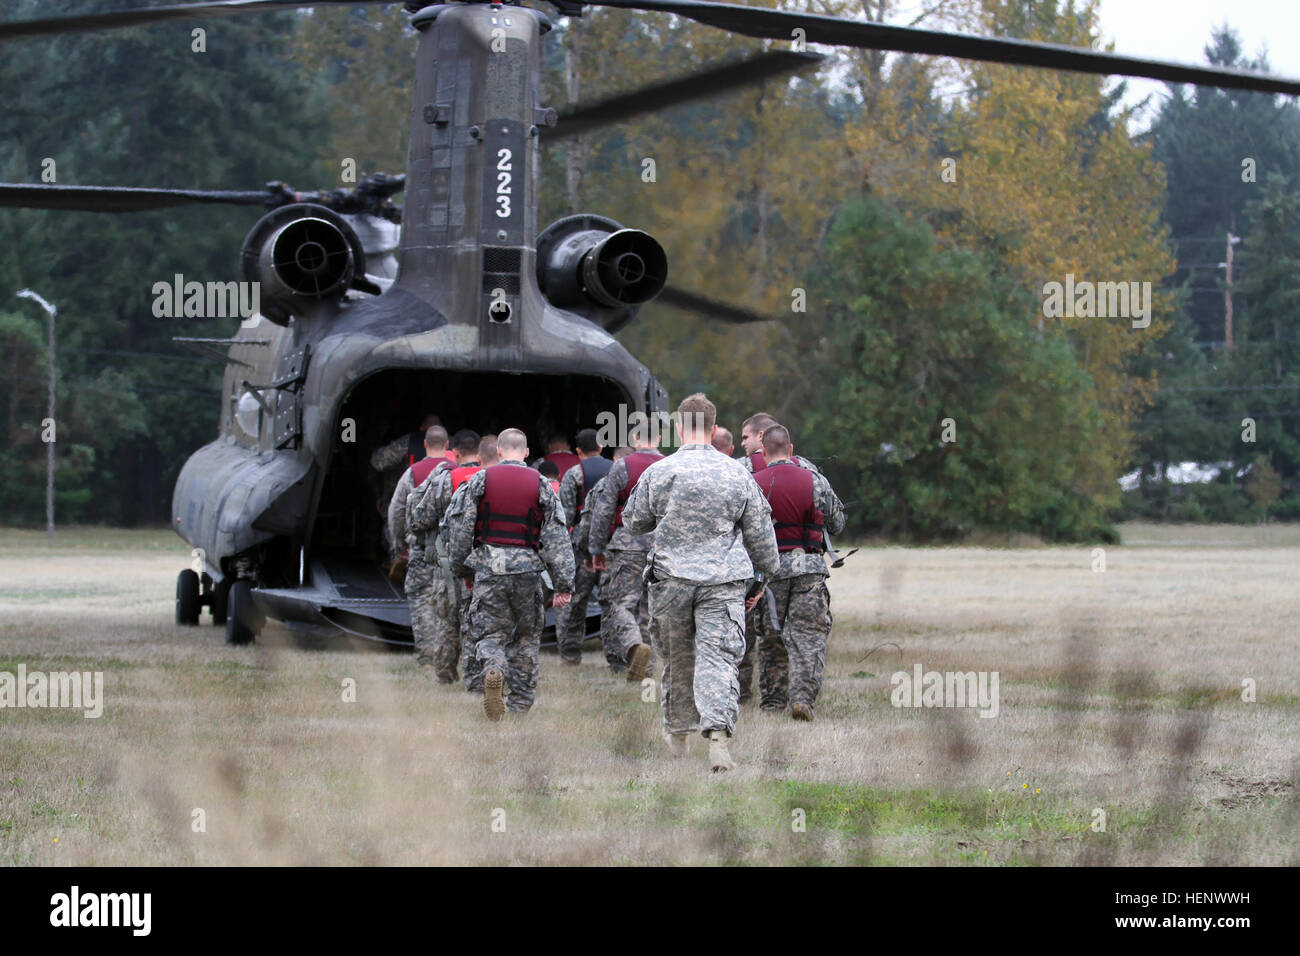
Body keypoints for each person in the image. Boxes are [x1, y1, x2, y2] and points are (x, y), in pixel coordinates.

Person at [622, 392, 779, 772]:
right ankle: (719, 742)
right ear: (713, 427)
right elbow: (762, 540)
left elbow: (633, 521)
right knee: (719, 659)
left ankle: (678, 740)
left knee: (677, 659)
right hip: (722, 583)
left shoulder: (659, 471)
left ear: (679, 427)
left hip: (671, 580)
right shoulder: (737, 473)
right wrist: (760, 583)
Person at [442, 428, 574, 720]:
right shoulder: (541, 483)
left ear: (498, 451)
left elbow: (461, 528)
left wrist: (463, 568)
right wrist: (564, 583)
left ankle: (492, 669)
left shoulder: (478, 480)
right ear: (526, 453)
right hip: (527, 569)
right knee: (526, 637)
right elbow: (557, 537)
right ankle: (519, 706)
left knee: (489, 633)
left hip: (489, 568)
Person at [751, 425, 846, 720]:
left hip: (770, 571)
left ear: (763, 452)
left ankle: (772, 701)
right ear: (791, 450)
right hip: (810, 568)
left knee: (770, 636)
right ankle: (803, 698)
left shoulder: (754, 483)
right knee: (808, 636)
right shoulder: (815, 481)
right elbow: (838, 522)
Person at [405, 428, 480, 682]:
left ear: (455, 453)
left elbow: (419, 519)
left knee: (447, 620)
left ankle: (446, 673)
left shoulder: (446, 480)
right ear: (479, 453)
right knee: (477, 619)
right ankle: (475, 674)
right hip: (481, 563)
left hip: (446, 560)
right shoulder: (488, 478)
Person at [587, 428, 659, 681]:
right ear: (659, 439)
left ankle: (632, 646)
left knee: (621, 603)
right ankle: (646, 667)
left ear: (635, 440)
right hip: (662, 546)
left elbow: (604, 510)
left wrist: (596, 549)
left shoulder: (623, 466)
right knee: (648, 608)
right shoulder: (670, 466)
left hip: (627, 543)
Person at [554, 428, 613, 665]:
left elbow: (565, 517)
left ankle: (570, 652)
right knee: (611, 601)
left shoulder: (573, 474)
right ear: (601, 448)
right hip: (612, 545)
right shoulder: (616, 469)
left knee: (576, 601)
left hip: (581, 546)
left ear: (577, 451)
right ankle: (616, 654)